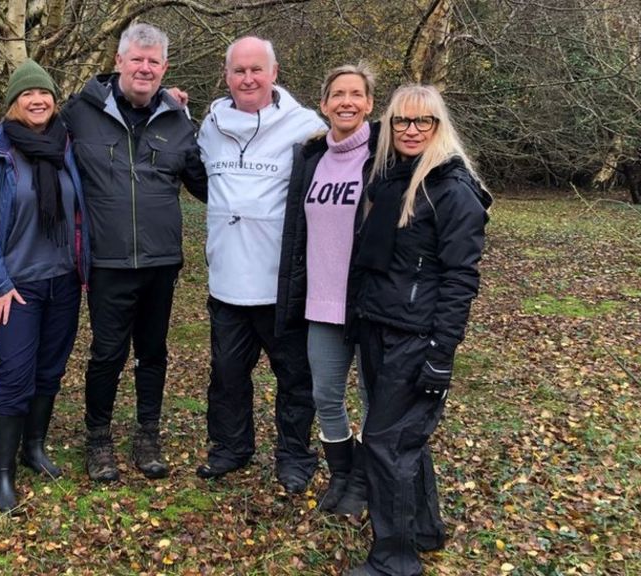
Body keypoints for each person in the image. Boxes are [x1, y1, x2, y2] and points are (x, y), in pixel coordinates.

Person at [346, 84, 491, 576]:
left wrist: (441, 353)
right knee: (403, 440)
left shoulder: (453, 190)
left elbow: (460, 278)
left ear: (438, 126)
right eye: (401, 122)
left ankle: (395, 561)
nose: (410, 130)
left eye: (422, 122)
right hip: (378, 325)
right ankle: (423, 530)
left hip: (417, 335)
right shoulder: (386, 179)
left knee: (386, 442)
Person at [60, 23, 208, 483]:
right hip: (108, 261)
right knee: (107, 353)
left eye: (154, 61)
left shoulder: (178, 119)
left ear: (164, 69)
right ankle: (98, 438)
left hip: (162, 260)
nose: (145, 68)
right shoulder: (79, 113)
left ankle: (148, 433)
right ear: (119, 61)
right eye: (137, 59)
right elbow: (34, 138)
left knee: (153, 351)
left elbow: (205, 183)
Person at [195, 37, 324, 493]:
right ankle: (231, 447)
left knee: (294, 377)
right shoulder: (208, 125)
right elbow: (196, 176)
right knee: (227, 375)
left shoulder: (307, 127)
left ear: (274, 71)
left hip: (282, 285)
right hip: (227, 281)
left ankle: (294, 456)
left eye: (256, 69)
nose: (247, 79)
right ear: (226, 75)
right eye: (238, 71)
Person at [0, 59, 90, 511]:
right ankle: (3, 474)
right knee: (14, 376)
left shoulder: (68, 145)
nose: (37, 101)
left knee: (50, 371)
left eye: (45, 95)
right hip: (16, 286)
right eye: (27, 94)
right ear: (13, 102)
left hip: (64, 281)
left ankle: (33, 448)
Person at [276, 63, 378, 515]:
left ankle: (363, 482)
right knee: (325, 397)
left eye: (356, 94)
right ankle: (341, 474)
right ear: (323, 104)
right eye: (338, 94)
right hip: (321, 302)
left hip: (370, 305)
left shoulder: (385, 156)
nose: (347, 102)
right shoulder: (312, 157)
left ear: (370, 103)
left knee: (374, 402)